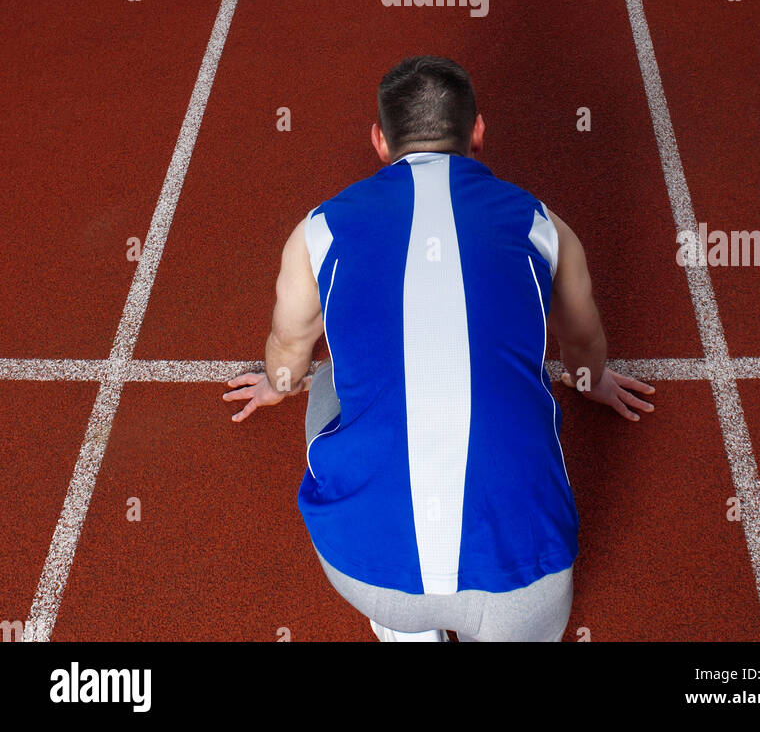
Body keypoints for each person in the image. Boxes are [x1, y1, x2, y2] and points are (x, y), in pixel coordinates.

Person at [223, 56, 654, 642]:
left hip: (373, 571)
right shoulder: (542, 224)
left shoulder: (318, 230)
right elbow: (581, 342)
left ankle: (408, 632)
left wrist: (278, 382)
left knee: (326, 378)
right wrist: (589, 379)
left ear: (380, 141)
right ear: (478, 131)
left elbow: (289, 348)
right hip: (522, 582)